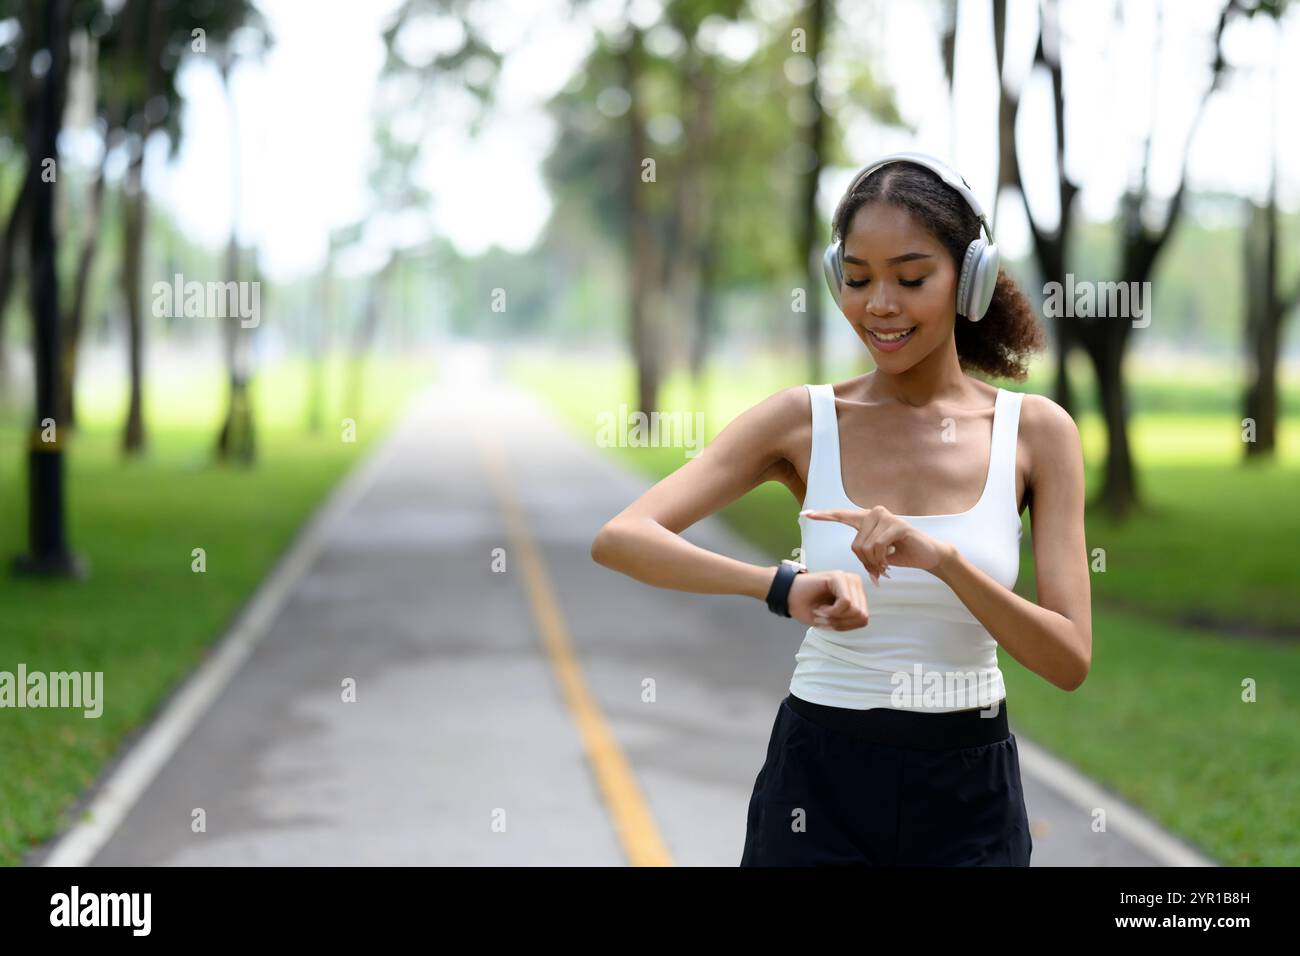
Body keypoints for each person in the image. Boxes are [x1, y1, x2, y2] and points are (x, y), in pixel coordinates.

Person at [590, 152, 1092, 866]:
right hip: (818, 784)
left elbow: (1069, 658)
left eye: (911, 278)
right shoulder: (803, 421)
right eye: (857, 279)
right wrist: (780, 587)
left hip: (970, 794)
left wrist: (945, 562)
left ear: (969, 278)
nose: (879, 304)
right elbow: (622, 538)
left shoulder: (1037, 434)